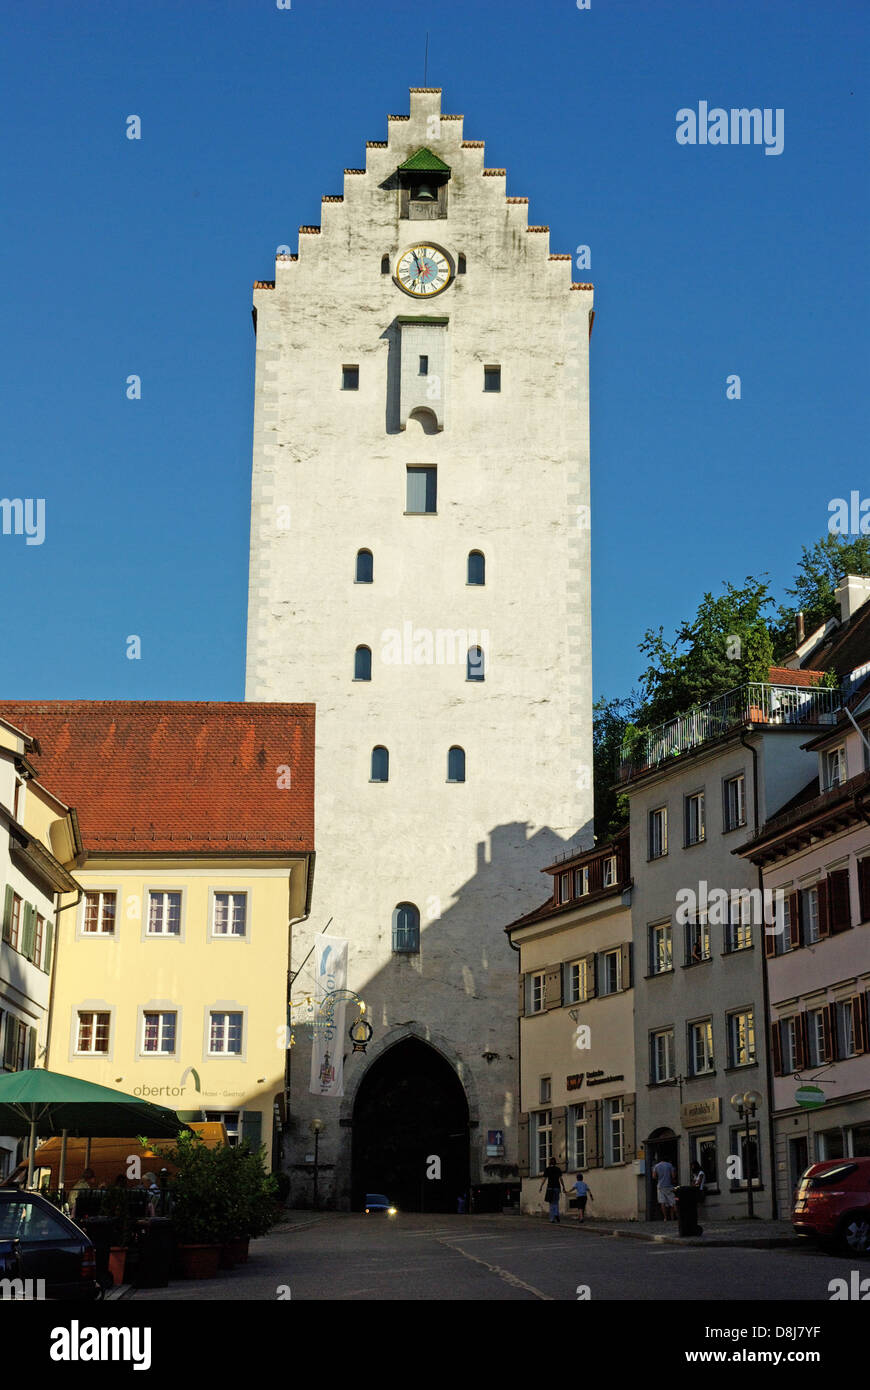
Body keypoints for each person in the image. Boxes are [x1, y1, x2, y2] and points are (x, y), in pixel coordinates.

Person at [539, 1157, 566, 1223]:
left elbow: (544, 1179)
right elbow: (561, 1179)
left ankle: (552, 1219)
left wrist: (541, 1186)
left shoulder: (547, 1169)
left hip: (550, 1187)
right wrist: (563, 1187)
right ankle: (556, 1213)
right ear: (555, 1162)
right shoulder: (558, 1169)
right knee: (556, 1202)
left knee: (551, 1203)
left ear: (550, 1162)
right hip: (557, 1187)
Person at [652, 1157, 677, 1221]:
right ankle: (676, 1216)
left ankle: (665, 1217)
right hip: (669, 1186)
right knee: (673, 1202)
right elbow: (673, 1176)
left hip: (660, 1186)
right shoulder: (670, 1165)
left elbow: (654, 1176)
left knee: (662, 1202)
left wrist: (659, 1178)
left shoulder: (656, 1166)